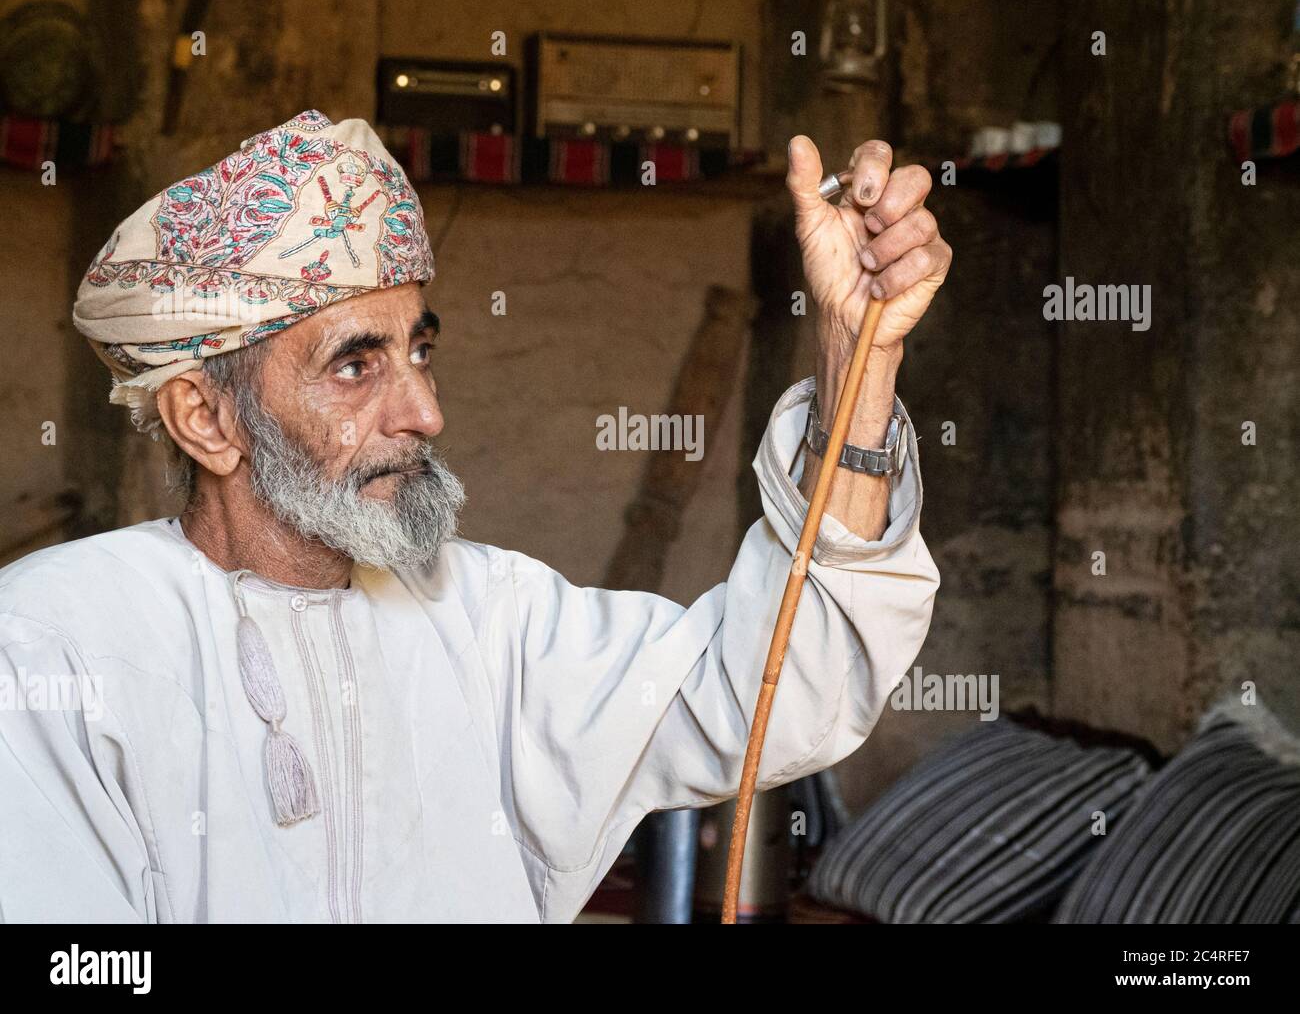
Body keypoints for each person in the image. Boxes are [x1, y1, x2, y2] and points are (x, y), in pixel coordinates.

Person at [0, 111, 950, 922]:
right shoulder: (53, 644)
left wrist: (855, 364)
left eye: (420, 350)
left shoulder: (491, 617)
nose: (424, 410)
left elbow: (774, 692)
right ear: (207, 419)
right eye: (355, 364)